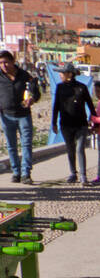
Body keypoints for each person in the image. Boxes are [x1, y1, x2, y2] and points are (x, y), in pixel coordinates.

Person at [0, 50, 40, 183]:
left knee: (26, 144)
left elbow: (36, 93)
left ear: (12, 62)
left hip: (23, 115)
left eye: (6, 62)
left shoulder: (24, 76)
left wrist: (32, 99)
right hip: (6, 116)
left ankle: (26, 173)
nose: (3, 65)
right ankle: (16, 172)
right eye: (0, 63)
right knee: (11, 146)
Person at [52, 62, 95, 183]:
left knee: (80, 148)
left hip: (81, 123)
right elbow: (56, 106)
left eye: (62, 73)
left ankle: (83, 175)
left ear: (69, 74)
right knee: (70, 148)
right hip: (66, 123)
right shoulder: (60, 87)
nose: (60, 75)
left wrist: (94, 121)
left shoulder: (82, 87)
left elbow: (90, 105)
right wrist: (54, 122)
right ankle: (72, 173)